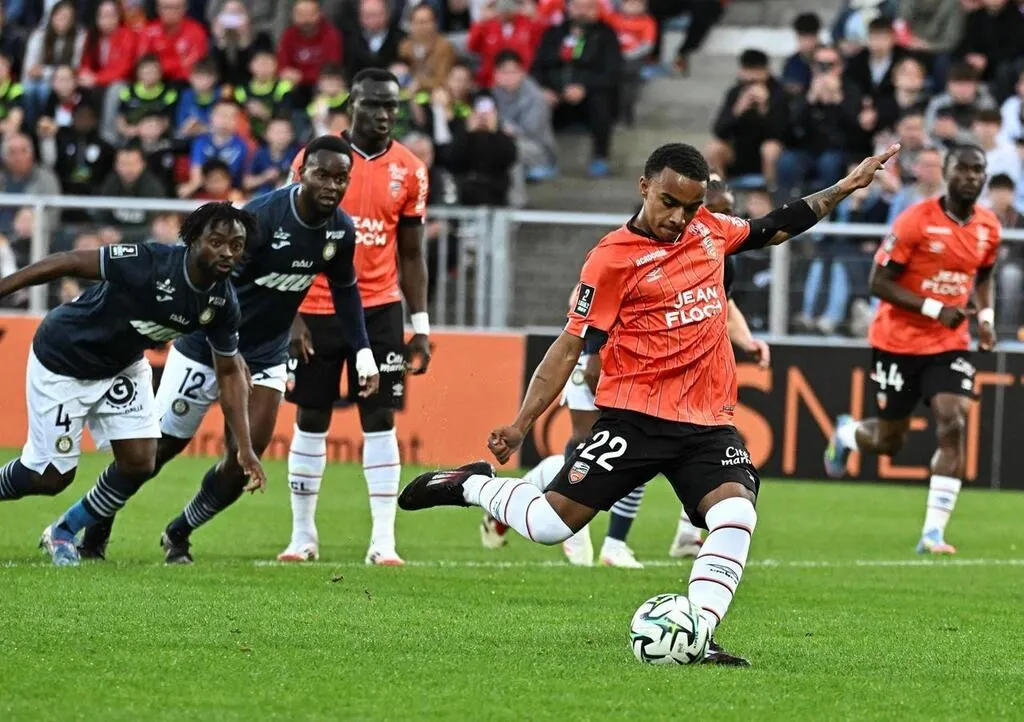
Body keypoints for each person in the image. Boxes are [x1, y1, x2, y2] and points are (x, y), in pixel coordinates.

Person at [399, 141, 899, 665]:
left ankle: (698, 635)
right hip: (634, 420)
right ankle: (471, 484)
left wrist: (845, 186)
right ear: (644, 187)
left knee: (735, 513)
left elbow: (777, 225)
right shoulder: (611, 259)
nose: (679, 217)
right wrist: (522, 423)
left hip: (706, 424)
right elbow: (569, 345)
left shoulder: (709, 230)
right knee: (550, 526)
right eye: (669, 202)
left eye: (690, 206)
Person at [77, 135, 377, 564]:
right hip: (205, 347)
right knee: (154, 452)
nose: (332, 185)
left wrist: (362, 350)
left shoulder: (341, 230)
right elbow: (213, 281)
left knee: (243, 461)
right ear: (300, 173)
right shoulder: (262, 219)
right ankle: (96, 526)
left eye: (341, 178)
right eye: (322, 175)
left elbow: (345, 288)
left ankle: (179, 532)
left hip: (265, 354)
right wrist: (224, 340)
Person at [479, 178, 772, 566]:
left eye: (729, 212)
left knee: (643, 457)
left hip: (648, 378)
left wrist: (747, 341)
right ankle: (531, 508)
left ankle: (617, 542)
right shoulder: (630, 248)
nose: (723, 219)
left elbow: (722, 304)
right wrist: (595, 360)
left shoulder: (715, 252)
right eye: (716, 211)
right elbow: (584, 310)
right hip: (601, 360)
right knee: (586, 451)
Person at [0, 203, 265, 566]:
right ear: (193, 240)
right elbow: (67, 261)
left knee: (140, 462)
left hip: (121, 366)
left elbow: (230, 373)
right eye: (216, 241)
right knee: (48, 477)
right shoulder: (149, 262)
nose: (227, 252)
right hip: (64, 359)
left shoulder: (222, 301)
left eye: (236, 245)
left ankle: (64, 531)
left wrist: (244, 449)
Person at [279, 68, 430, 567]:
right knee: (311, 415)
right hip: (317, 306)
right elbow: (289, 237)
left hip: (380, 308)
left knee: (379, 417)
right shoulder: (315, 158)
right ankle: (302, 536)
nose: (384, 115)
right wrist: (291, 313)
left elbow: (412, 253)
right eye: (373, 104)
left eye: (391, 106)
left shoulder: (411, 169)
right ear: (352, 104)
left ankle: (383, 541)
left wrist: (421, 326)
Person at [824, 144, 998, 556]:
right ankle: (846, 434)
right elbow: (878, 282)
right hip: (897, 343)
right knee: (889, 441)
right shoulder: (915, 221)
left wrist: (986, 320)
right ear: (947, 173)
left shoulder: (988, 227)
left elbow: (984, 276)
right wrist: (937, 308)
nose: (971, 177)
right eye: (963, 169)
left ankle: (932, 534)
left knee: (953, 421)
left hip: (949, 343)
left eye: (978, 170)